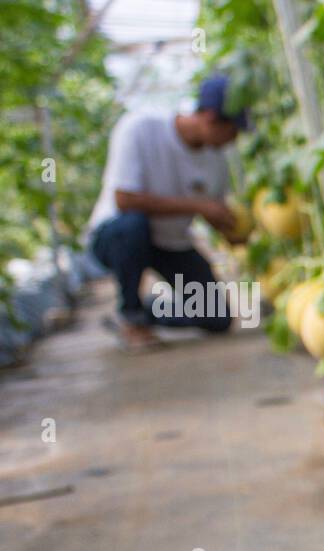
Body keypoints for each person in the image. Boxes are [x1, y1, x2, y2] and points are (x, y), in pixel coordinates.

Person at [87, 75, 249, 351]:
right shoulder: (140, 128)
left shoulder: (216, 161)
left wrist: (235, 231)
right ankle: (132, 318)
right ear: (211, 118)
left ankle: (142, 312)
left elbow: (213, 214)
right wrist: (199, 206)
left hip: (170, 243)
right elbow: (124, 200)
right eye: (232, 130)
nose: (234, 139)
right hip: (115, 235)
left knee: (216, 317)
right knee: (132, 226)